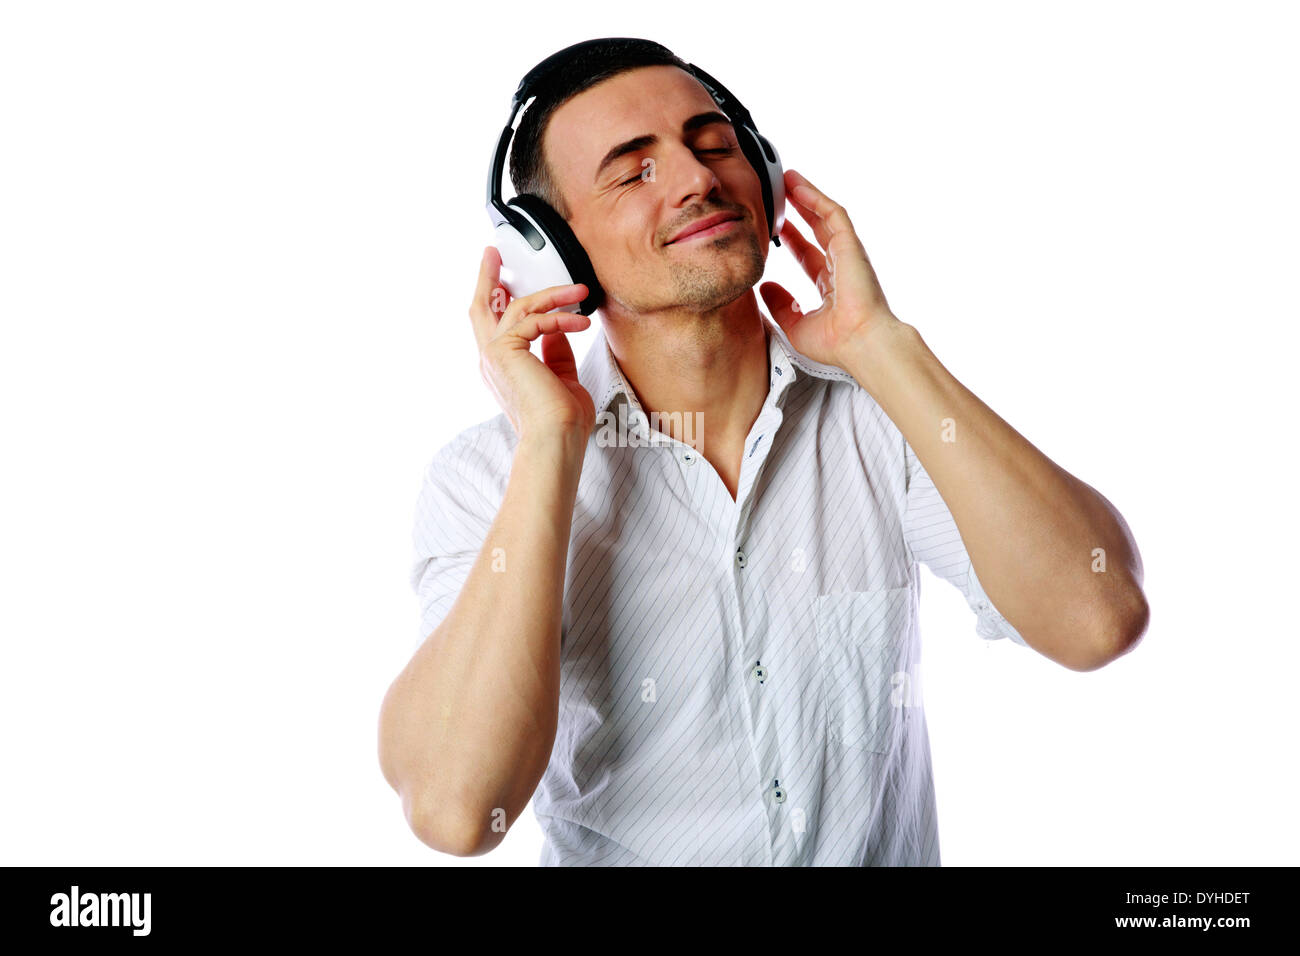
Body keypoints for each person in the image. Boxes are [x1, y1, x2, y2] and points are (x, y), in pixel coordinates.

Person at [377, 38, 1149, 865]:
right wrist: (553, 448)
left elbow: (1097, 619)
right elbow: (459, 811)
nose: (697, 178)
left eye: (713, 145)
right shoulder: (485, 480)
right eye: (634, 170)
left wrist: (881, 346)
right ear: (552, 253)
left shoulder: (880, 419)